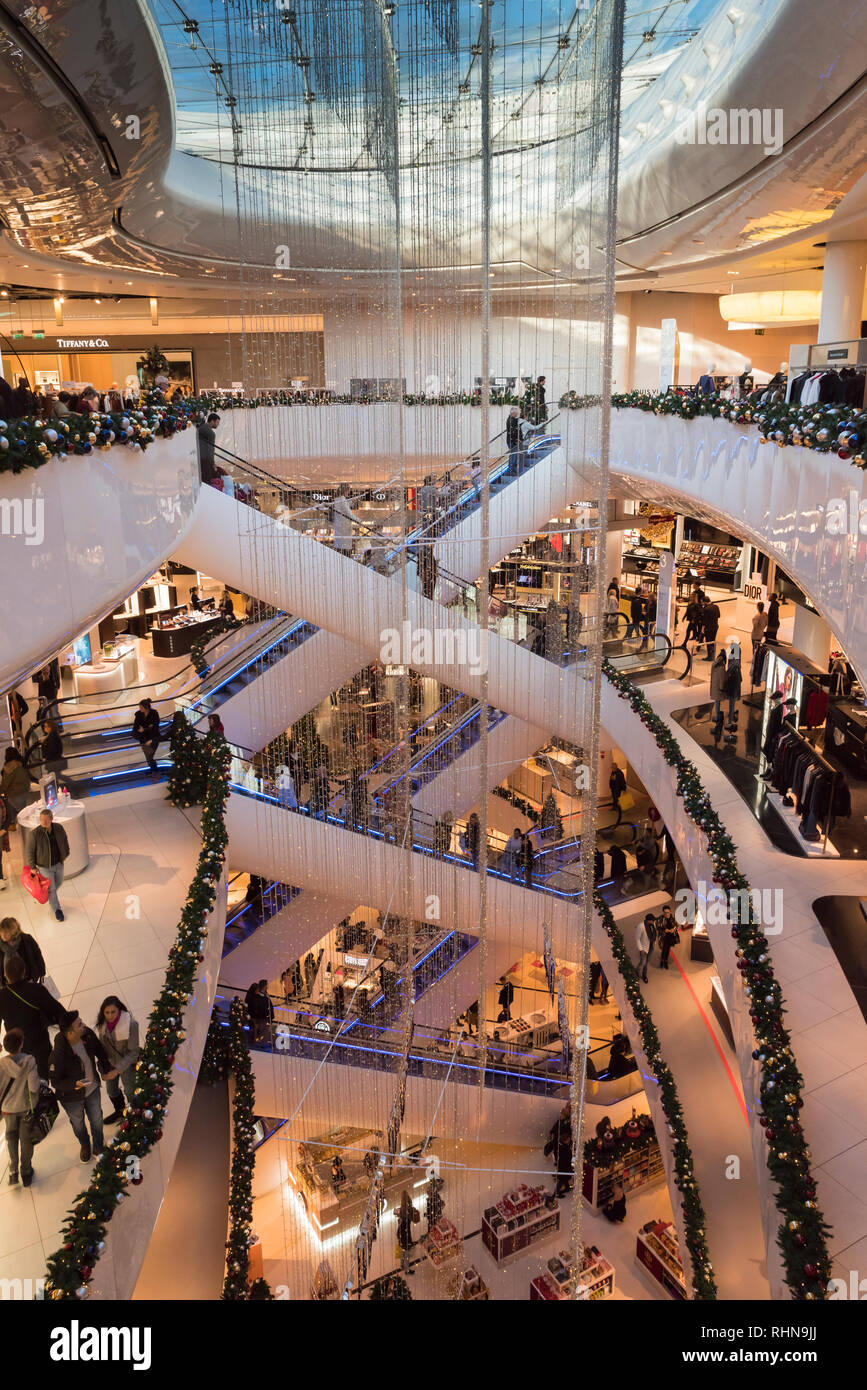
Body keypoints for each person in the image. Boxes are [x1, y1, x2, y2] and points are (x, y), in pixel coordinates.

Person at [49, 1009, 115, 1161]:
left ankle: (98, 1145)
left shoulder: (87, 1034)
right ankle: (85, 1144)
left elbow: (99, 1049)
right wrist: (75, 1084)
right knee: (78, 1124)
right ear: (70, 1034)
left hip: (92, 1090)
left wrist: (105, 1067)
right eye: (79, 1024)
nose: (84, 1025)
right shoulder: (58, 1054)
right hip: (72, 1098)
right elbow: (55, 1081)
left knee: (97, 1118)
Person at [0, 956, 65, 1079]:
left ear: (4, 974)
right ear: (24, 971)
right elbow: (58, 1011)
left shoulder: (1, 996)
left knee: (24, 1079)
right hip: (40, 1042)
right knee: (43, 1077)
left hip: (17, 1045)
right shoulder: (36, 989)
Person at [0, 1028, 39, 1187]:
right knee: (25, 1141)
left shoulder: (1, 1064)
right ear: (21, 1044)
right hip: (24, 1108)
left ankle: (13, 1170)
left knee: (11, 1138)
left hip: (7, 1109)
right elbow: (34, 1087)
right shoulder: (29, 1061)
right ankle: (26, 1171)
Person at [95, 996, 140, 1123]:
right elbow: (101, 1049)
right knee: (111, 1091)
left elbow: (134, 1053)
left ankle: (134, 1116)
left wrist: (117, 1070)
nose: (110, 1016)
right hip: (110, 1062)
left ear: (119, 1010)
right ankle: (120, 1112)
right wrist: (103, 1069)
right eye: (106, 1012)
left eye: (113, 1012)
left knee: (130, 1091)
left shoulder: (131, 1025)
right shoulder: (102, 1025)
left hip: (126, 1063)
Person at [27, 807, 70, 921]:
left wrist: (66, 853)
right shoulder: (35, 834)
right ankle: (57, 910)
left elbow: (65, 840)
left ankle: (51, 897)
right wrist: (32, 867)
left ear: (52, 818)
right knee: (52, 888)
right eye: (41, 820)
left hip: (58, 863)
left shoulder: (59, 828)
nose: (44, 822)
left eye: (46, 820)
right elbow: (30, 851)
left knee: (59, 882)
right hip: (44, 866)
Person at [0, 917, 45, 985]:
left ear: (13, 932)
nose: (2, 935)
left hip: (28, 979)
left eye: (5, 932)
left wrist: (42, 972)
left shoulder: (27, 940)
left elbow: (37, 955)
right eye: (1, 932)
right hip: (7, 984)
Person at [545, 1103, 573, 1197]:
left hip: (559, 1144)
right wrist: (552, 1133)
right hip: (558, 1145)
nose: (560, 1116)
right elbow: (555, 1127)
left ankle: (563, 1182)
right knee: (559, 1162)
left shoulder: (567, 1123)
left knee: (560, 1163)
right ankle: (559, 1180)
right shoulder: (562, 1121)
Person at [132, 698, 161, 774]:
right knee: (148, 756)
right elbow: (136, 727)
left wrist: (144, 729)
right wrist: (148, 727)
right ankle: (154, 770)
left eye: (141, 707)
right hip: (143, 739)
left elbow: (155, 726)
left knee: (150, 755)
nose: (140, 709)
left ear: (146, 707)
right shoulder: (138, 714)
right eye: (139, 707)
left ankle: (154, 770)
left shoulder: (154, 713)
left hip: (153, 738)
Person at [396, 1189, 420, 1274]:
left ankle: (402, 1265)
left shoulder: (401, 1208)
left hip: (400, 1232)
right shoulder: (409, 1209)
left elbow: (396, 1214)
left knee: (402, 1249)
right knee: (406, 1251)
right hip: (405, 1233)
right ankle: (406, 1269)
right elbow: (415, 1219)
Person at [197, 412, 221, 485]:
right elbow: (210, 449)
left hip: (201, 458)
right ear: (212, 421)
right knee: (209, 480)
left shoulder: (201, 428)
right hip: (206, 460)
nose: (218, 424)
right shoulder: (210, 433)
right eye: (217, 422)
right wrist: (213, 463)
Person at [702, 595, 721, 661]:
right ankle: (712, 655)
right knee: (713, 641)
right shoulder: (716, 606)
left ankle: (709, 656)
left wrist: (702, 629)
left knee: (708, 642)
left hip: (709, 628)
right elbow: (718, 616)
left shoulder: (706, 609)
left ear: (704, 602)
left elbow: (705, 621)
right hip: (715, 626)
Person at [635, 916, 650, 983]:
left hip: (650, 947)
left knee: (646, 963)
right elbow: (637, 938)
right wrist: (641, 949)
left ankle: (644, 975)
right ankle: (637, 972)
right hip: (644, 948)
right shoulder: (641, 926)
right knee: (643, 962)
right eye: (652, 921)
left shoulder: (653, 926)